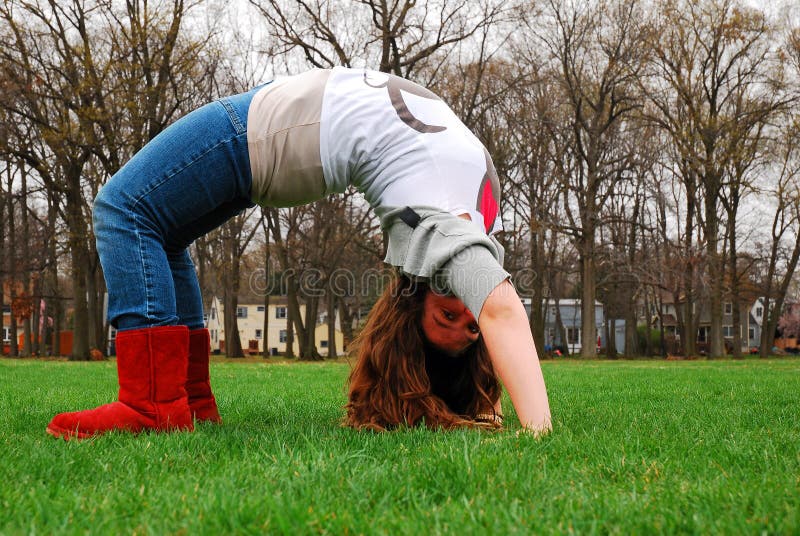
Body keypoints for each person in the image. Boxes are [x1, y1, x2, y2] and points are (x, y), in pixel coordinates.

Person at [46, 67, 552, 440]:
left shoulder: (439, 228)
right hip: (281, 127)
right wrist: (491, 406)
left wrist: (537, 435)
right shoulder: (480, 220)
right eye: (470, 327)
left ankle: (152, 403)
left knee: (123, 208)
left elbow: (502, 309)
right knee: (162, 232)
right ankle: (190, 404)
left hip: (266, 133)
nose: (466, 305)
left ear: (413, 304)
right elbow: (495, 316)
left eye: (449, 316)